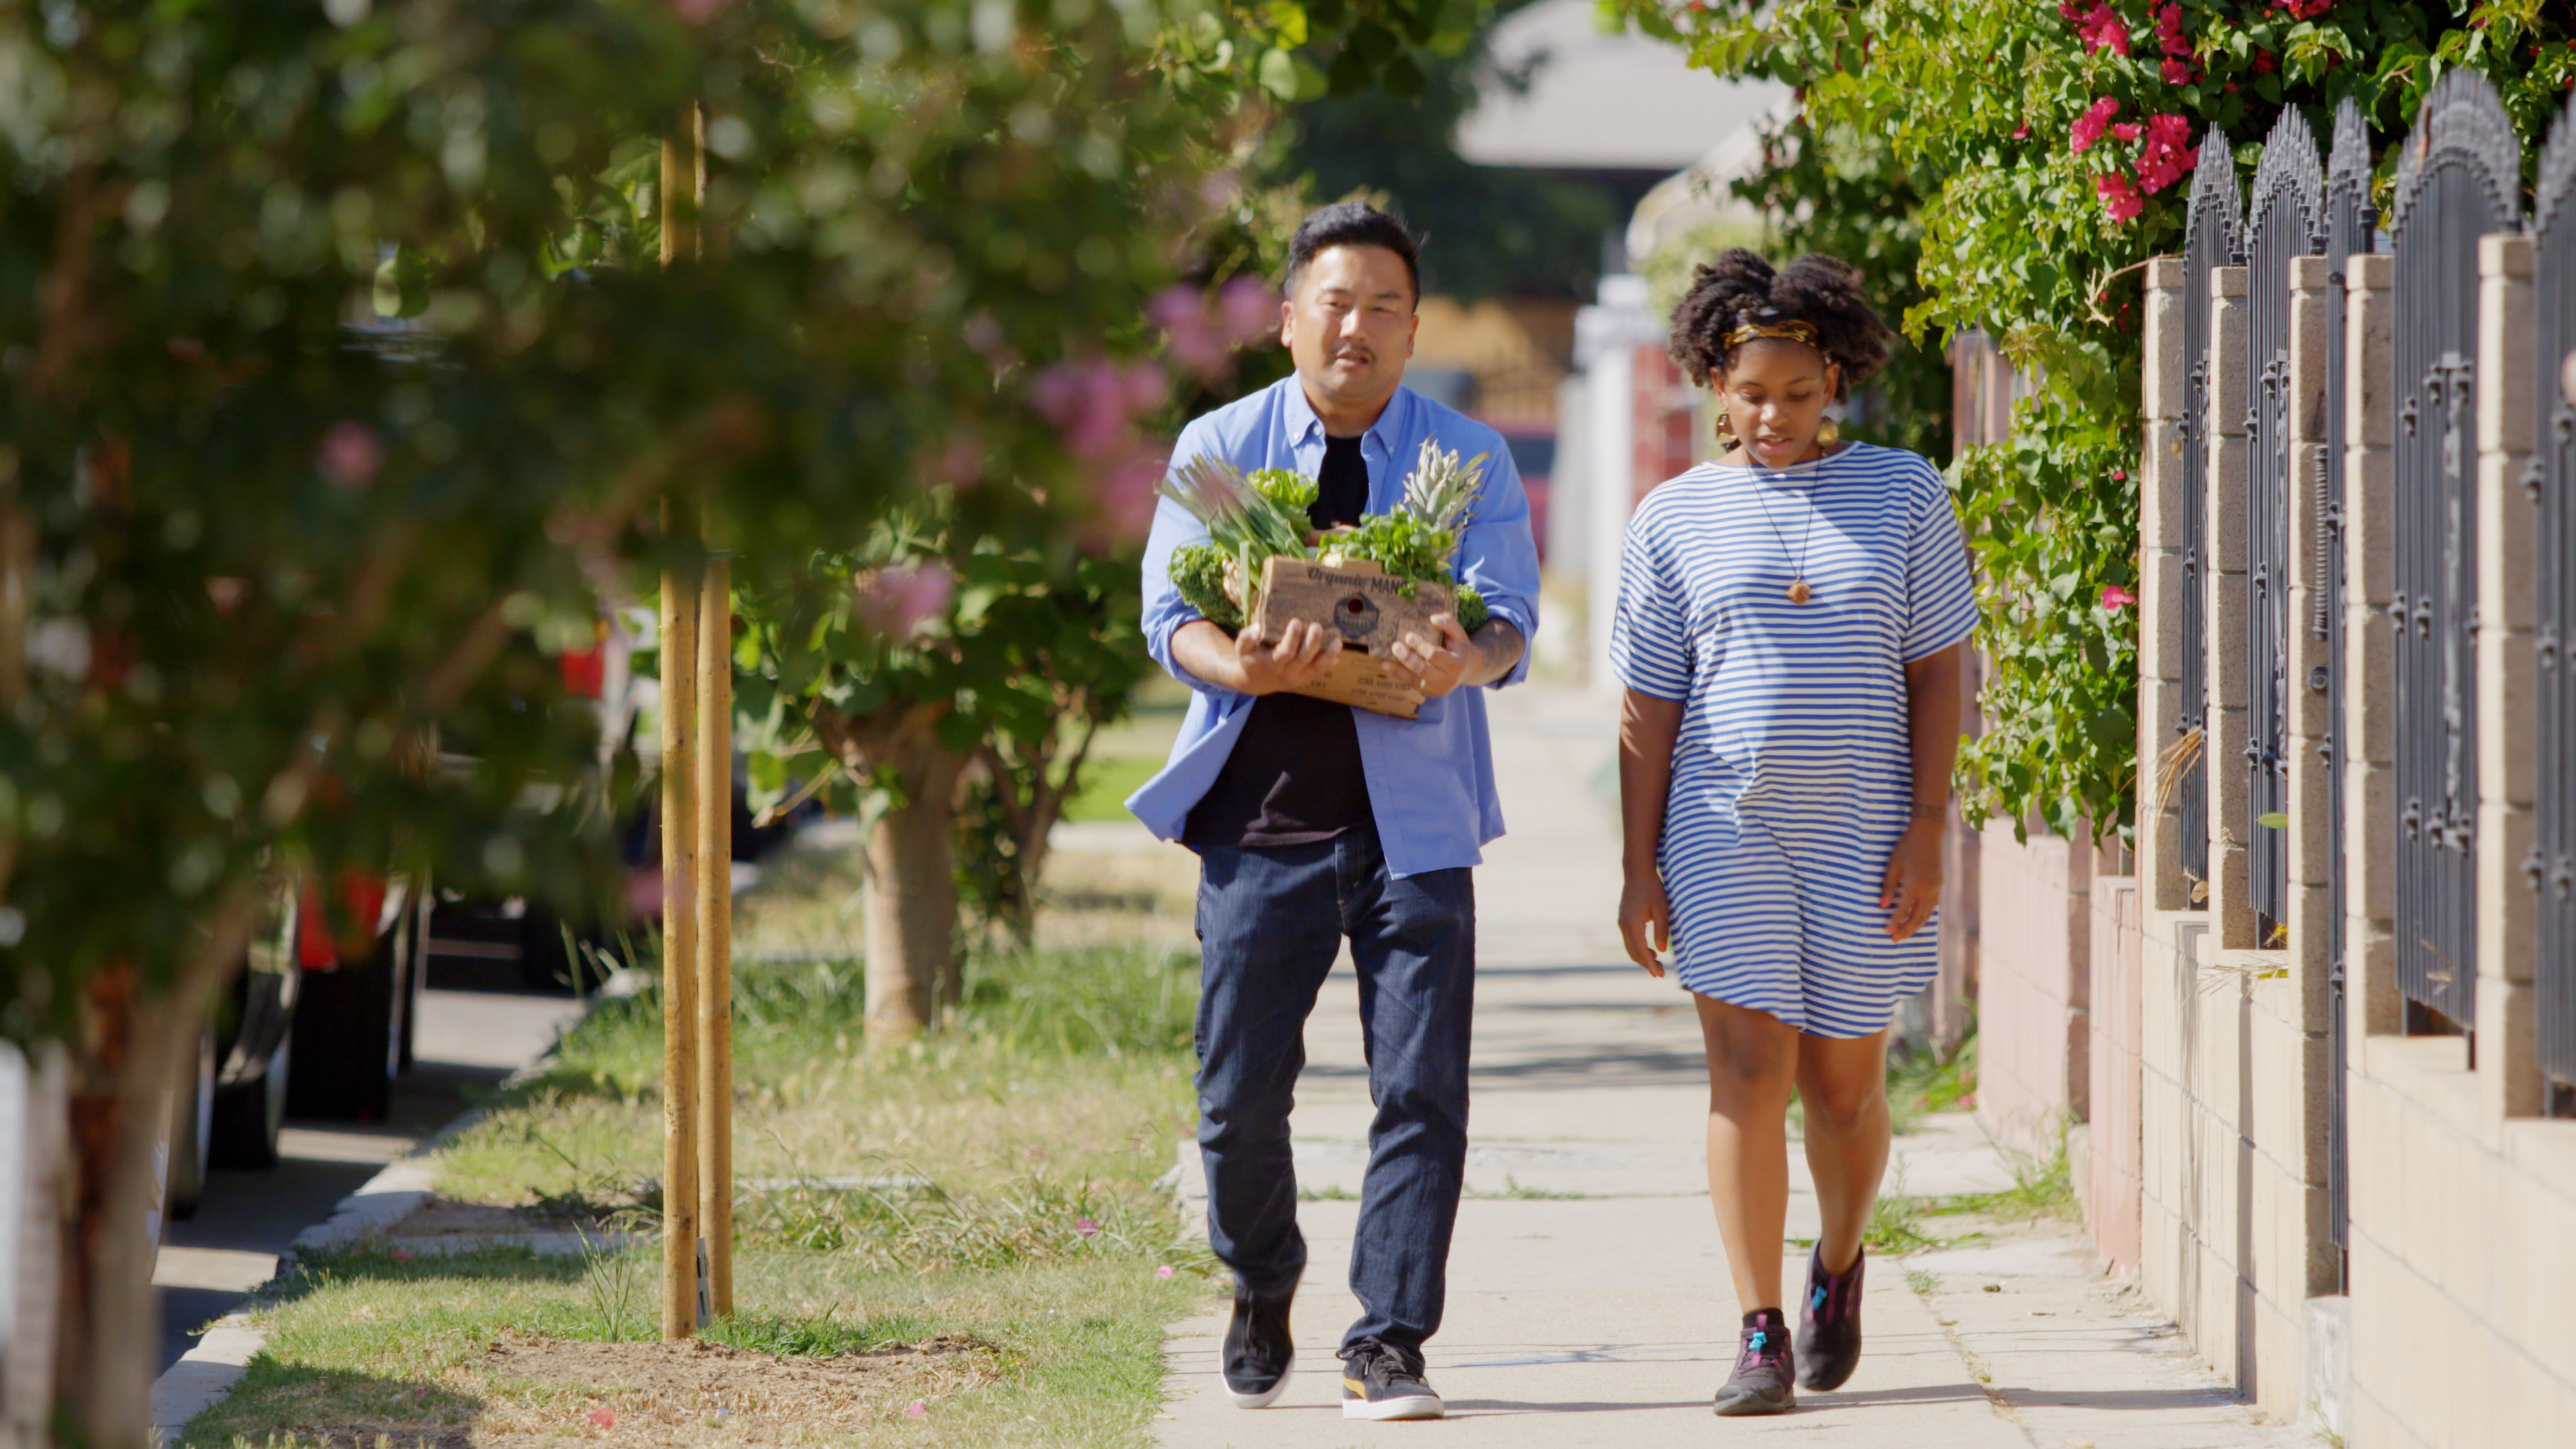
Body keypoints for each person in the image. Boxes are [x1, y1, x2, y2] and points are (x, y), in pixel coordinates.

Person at [1126, 201, 1539, 1422]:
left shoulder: (1468, 456)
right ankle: (1262, 1276)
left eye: (1385, 307)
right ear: (1290, 316)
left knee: (1423, 1090)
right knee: (1236, 1094)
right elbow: (1167, 614)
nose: (1357, 327)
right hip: (1261, 822)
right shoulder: (1219, 444)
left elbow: (1511, 616)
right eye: (1336, 302)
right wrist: (1240, 663)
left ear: (1415, 328)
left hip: (1417, 830)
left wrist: (1464, 656)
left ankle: (1389, 1337)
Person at [1610, 249, 1976, 1416]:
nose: (1771, 416)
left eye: (1798, 395)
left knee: (1845, 1091)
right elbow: (1646, 706)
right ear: (1714, 380)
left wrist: (1928, 828)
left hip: (1867, 833)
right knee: (1746, 1074)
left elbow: (1938, 673)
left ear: (1838, 385)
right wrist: (1637, 867)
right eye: (1750, 392)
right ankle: (1759, 1328)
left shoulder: (1907, 493)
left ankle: (1838, 1263)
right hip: (1723, 831)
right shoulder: (1672, 518)